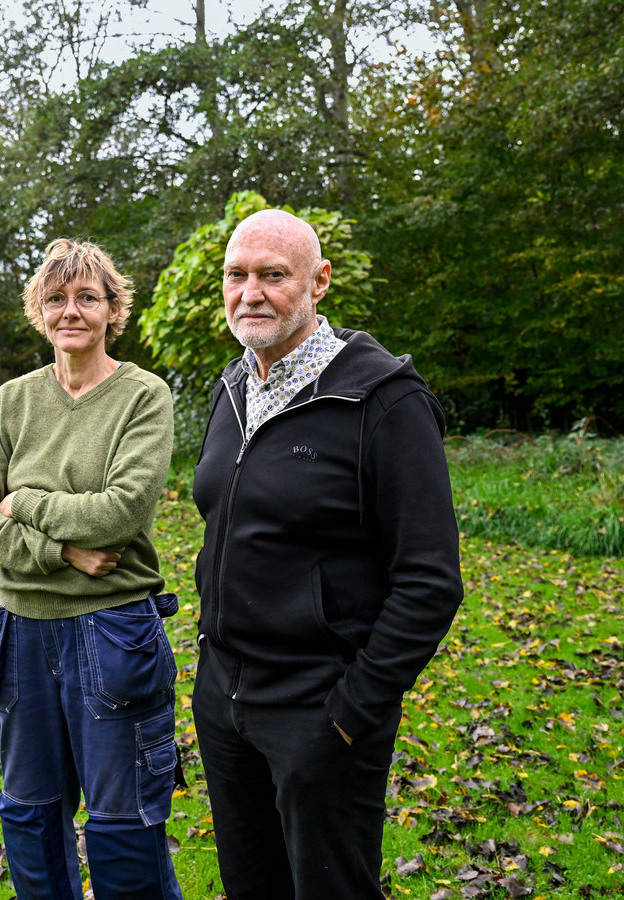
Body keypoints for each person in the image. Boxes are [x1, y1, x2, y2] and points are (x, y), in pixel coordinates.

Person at [191, 209, 464, 899]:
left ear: (318, 282)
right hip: (224, 701)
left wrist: (349, 712)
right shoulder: (231, 389)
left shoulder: (383, 401)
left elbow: (429, 581)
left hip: (321, 710)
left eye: (272, 276)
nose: (249, 292)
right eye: (235, 275)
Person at [0, 238, 182, 900]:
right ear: (38, 311)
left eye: (87, 297)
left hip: (111, 632)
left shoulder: (142, 396)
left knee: (122, 826)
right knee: (27, 818)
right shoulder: (11, 401)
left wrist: (21, 502)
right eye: (55, 298)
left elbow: (119, 513)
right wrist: (60, 552)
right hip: (19, 633)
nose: (71, 311)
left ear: (113, 310)